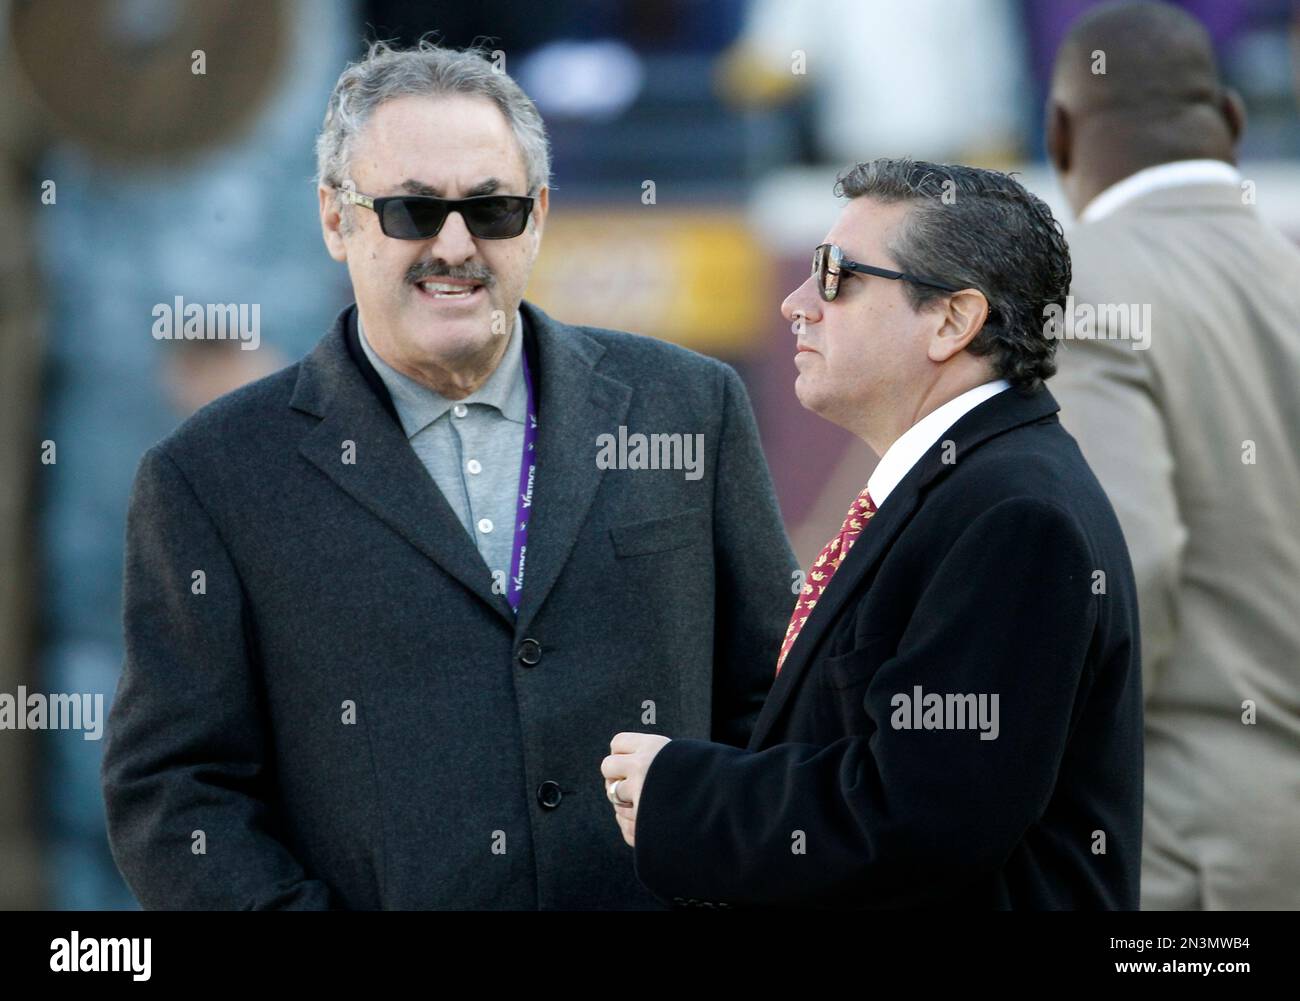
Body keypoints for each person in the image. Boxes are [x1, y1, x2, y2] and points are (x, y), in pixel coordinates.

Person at [101, 40, 797, 910]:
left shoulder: (687, 408)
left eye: (493, 209)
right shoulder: (210, 475)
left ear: (538, 214)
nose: (456, 244)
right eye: (411, 211)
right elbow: (175, 793)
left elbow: (777, 705)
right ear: (334, 218)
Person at [602, 158, 1144, 909]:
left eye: (836, 275)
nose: (797, 302)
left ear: (953, 320)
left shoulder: (1014, 514)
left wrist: (684, 794)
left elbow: (925, 816)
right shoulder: (971, 487)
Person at [1046, 0, 1300, 909]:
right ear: (1232, 119)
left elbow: (1126, 561)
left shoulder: (1084, 283)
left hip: (1186, 849)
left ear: (1059, 131)